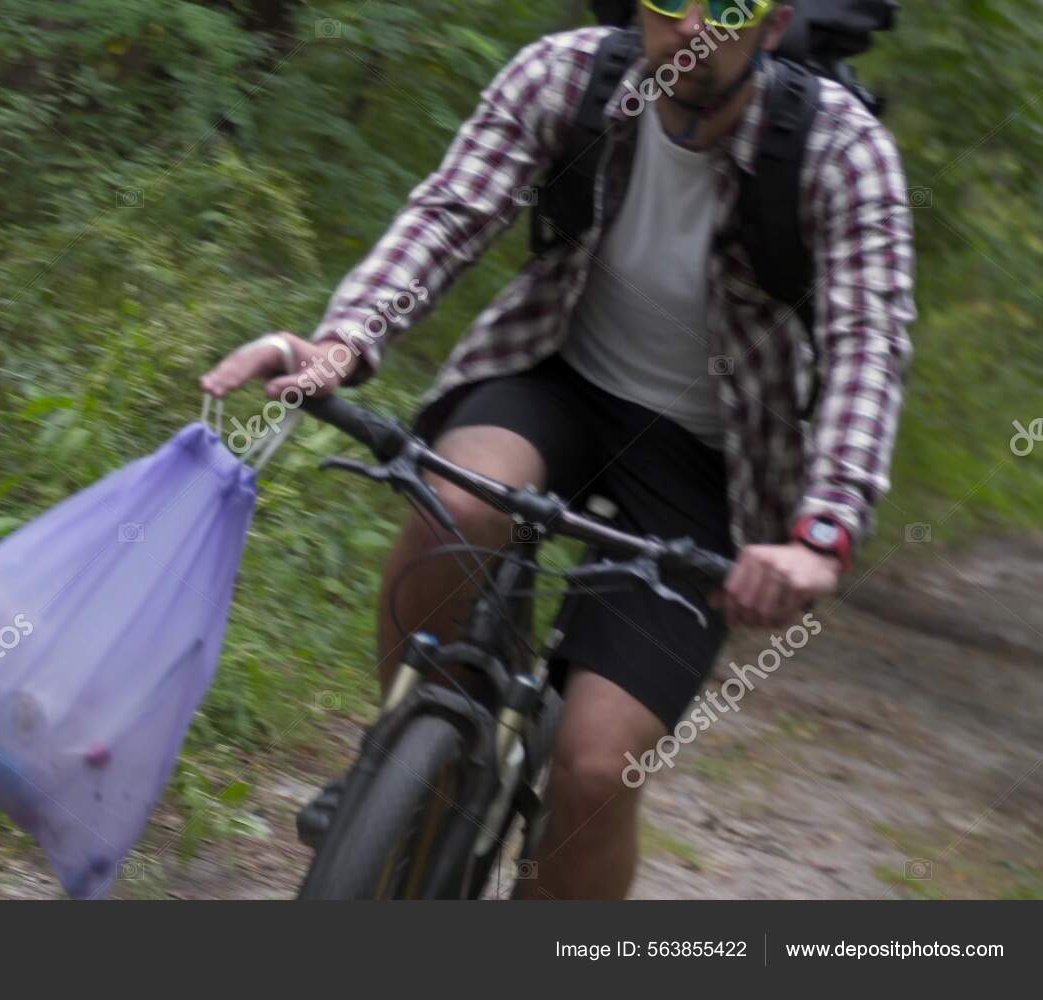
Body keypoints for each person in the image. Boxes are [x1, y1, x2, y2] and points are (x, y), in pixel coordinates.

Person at [200, 0, 915, 900]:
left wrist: (823, 534)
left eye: (730, 6)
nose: (694, 23)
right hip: (555, 379)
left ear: (772, 28)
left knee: (596, 771)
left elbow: (867, 344)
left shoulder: (838, 150)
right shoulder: (566, 75)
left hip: (712, 461)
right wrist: (343, 343)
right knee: (458, 506)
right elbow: (450, 214)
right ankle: (407, 763)